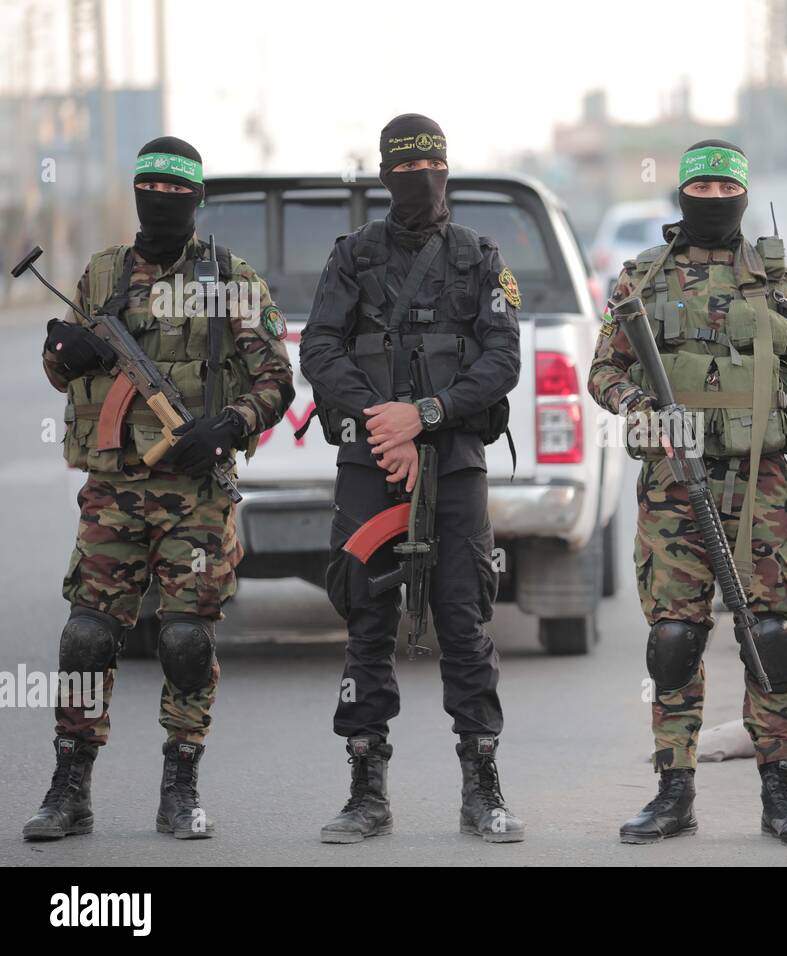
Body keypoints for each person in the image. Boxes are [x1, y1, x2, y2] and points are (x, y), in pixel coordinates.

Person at [24, 136, 295, 841]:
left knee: (183, 638)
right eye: (151, 190)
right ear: (136, 193)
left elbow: (277, 381)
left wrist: (228, 425)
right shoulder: (103, 275)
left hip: (197, 494)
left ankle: (181, 786)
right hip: (112, 490)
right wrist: (65, 349)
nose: (163, 204)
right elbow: (63, 365)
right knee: (86, 635)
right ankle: (69, 786)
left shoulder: (232, 279)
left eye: (177, 194)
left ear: (197, 200)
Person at [589, 140, 787, 847]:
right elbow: (602, 371)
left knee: (771, 640)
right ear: (683, 195)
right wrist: (642, 405)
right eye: (705, 188)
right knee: (674, 640)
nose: (716, 199)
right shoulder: (642, 279)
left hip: (764, 485)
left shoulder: (777, 283)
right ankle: (674, 792)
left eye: (729, 188)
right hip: (673, 486)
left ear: (745, 196)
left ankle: (780, 794)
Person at [299, 114, 524, 844]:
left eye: (429, 164)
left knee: (465, 619)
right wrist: (381, 420)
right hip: (370, 461)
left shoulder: (481, 259)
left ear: (446, 170)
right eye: (403, 167)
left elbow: (502, 361)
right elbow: (320, 348)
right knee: (365, 618)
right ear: (384, 174)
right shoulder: (352, 258)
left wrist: (424, 415)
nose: (417, 177)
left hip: (454, 462)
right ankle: (366, 790)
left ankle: (482, 786)